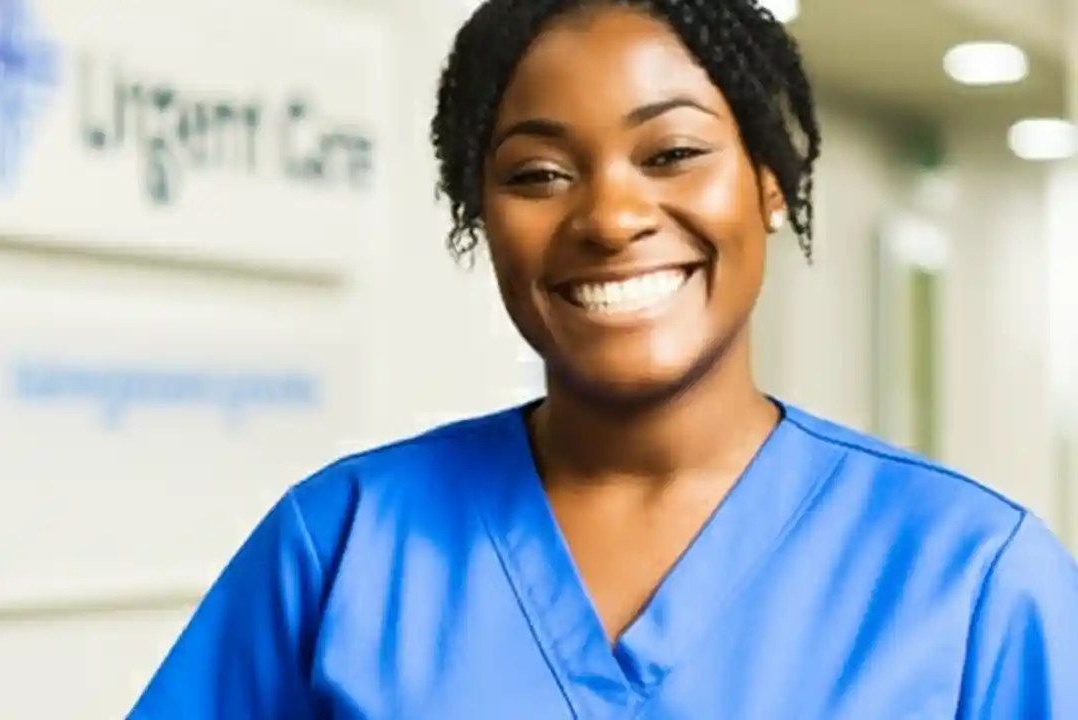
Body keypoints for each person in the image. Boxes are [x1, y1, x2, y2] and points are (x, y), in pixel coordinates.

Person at [129, 1, 1078, 717]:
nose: (611, 218)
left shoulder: (976, 582)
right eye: (539, 174)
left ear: (770, 184)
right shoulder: (342, 547)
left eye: (672, 154)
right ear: (479, 215)